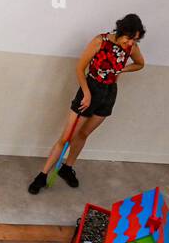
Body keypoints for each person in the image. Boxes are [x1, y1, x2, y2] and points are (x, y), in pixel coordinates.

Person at [28, 13, 146, 194]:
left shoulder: (131, 47)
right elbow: (79, 68)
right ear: (121, 31)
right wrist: (86, 93)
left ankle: (67, 168)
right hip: (89, 89)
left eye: (136, 39)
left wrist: (123, 68)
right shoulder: (101, 41)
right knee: (66, 138)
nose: (131, 43)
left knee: (83, 134)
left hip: (109, 94)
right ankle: (42, 175)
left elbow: (140, 64)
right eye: (130, 38)